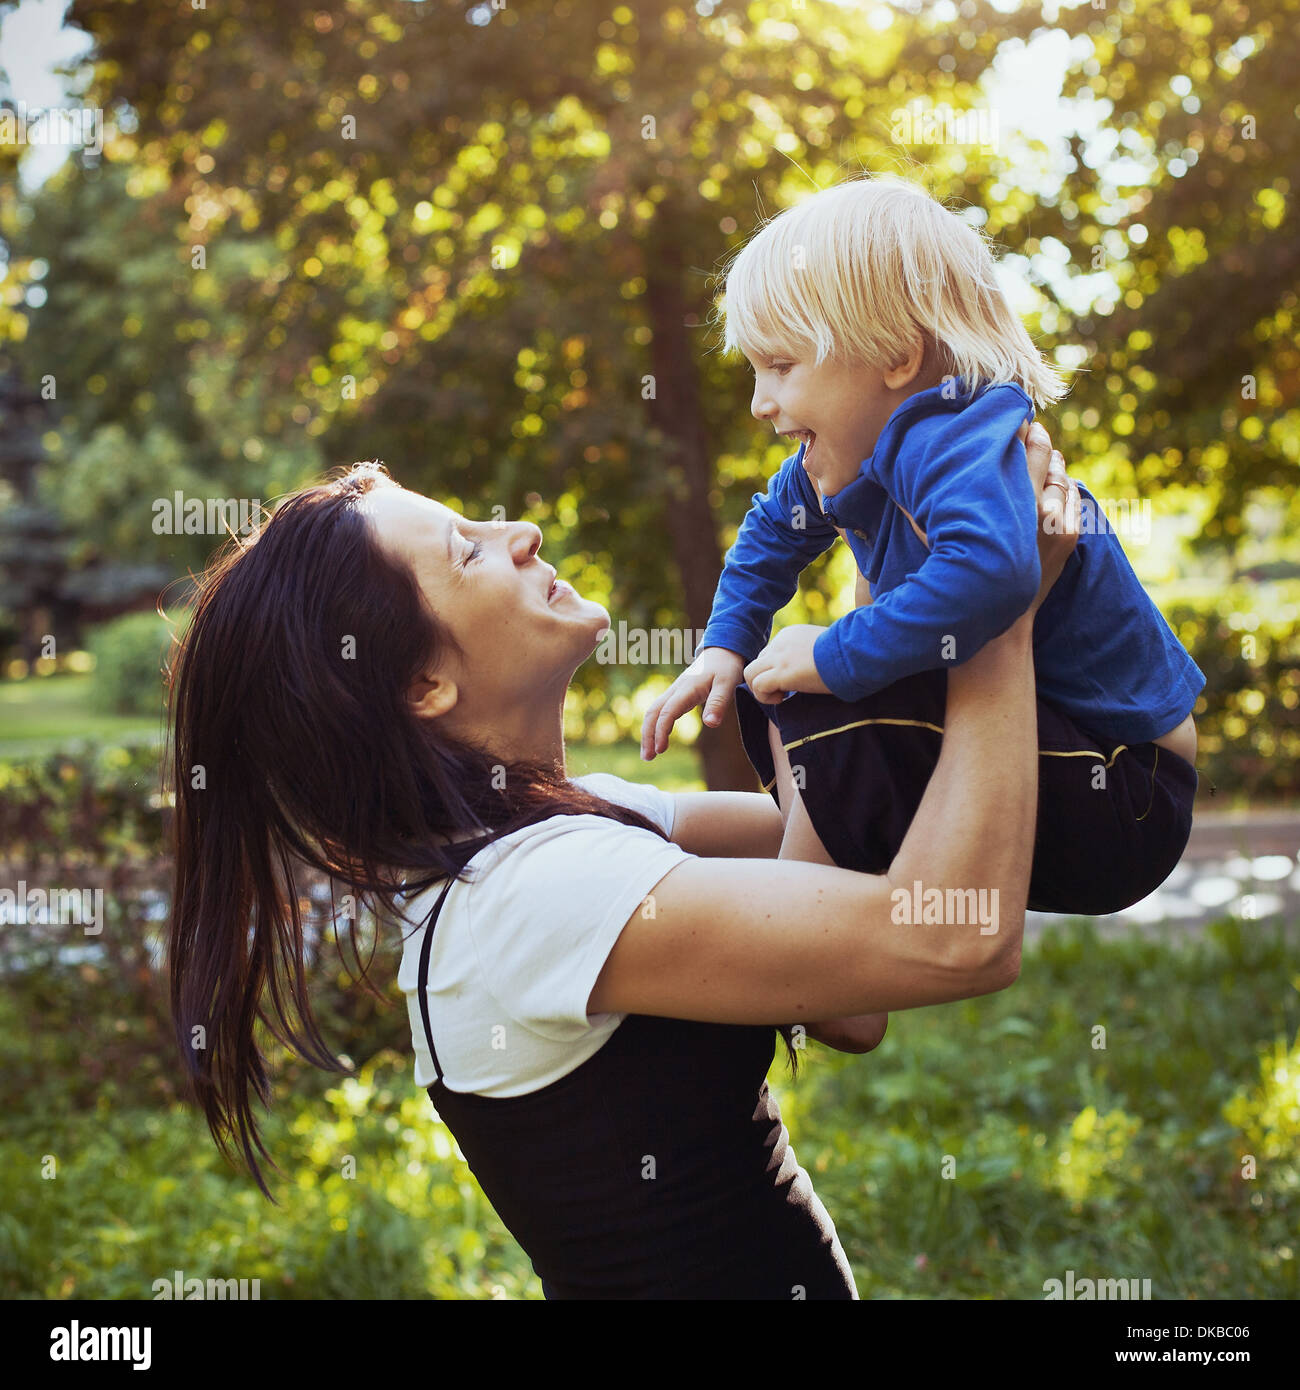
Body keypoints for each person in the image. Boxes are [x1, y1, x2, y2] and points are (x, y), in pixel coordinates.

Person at [166, 426, 1078, 1300]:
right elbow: (954, 940)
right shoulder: (531, 895)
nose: (517, 533)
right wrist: (997, 623)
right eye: (467, 551)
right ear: (421, 686)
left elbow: (846, 947)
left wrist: (902, 607)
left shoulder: (567, 827)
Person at [642, 174, 1202, 916]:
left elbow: (994, 572)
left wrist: (835, 653)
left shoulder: (955, 435)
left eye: (781, 367)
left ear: (897, 357)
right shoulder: (854, 450)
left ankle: (810, 934)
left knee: (827, 675)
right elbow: (769, 532)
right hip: (1060, 756)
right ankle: (817, 892)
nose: (759, 402)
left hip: (1125, 786)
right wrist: (724, 647)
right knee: (776, 680)